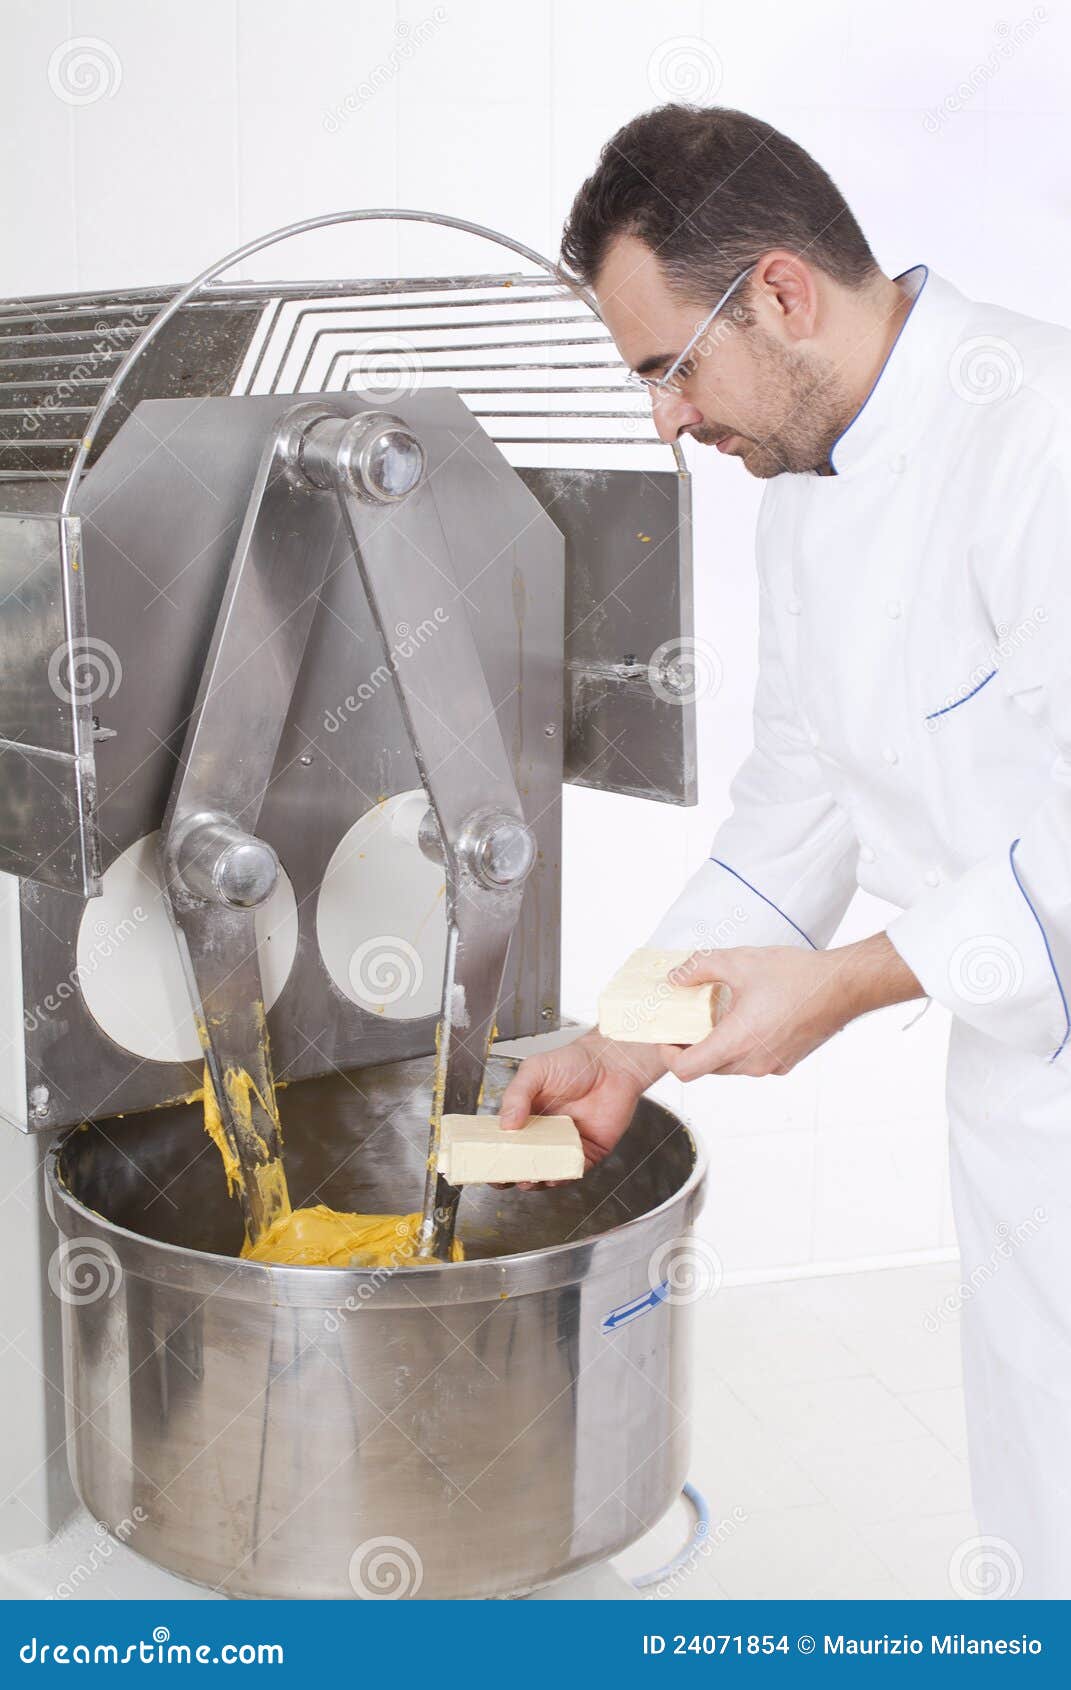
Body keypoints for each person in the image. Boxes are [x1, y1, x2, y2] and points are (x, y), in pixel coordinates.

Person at [500, 104, 1071, 1599]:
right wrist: (623, 1041)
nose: (665, 423)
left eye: (668, 369)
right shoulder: (809, 493)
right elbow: (794, 812)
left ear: (781, 293)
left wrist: (849, 984)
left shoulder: (1043, 435)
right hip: (1028, 1112)